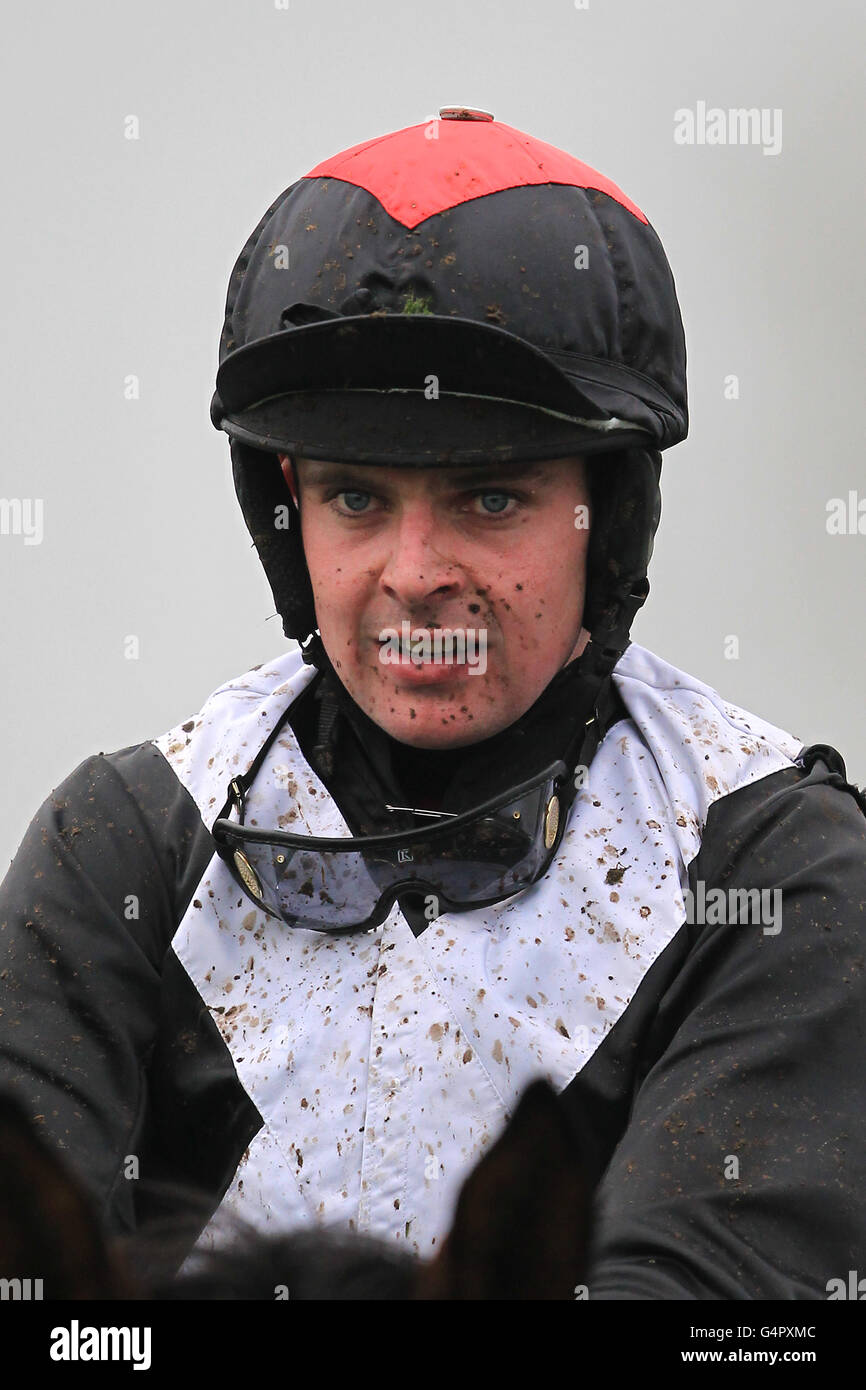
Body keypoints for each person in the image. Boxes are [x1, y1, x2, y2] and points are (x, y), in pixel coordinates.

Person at [1, 107, 865, 1301]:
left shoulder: (770, 859)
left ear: (601, 518)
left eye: (490, 499)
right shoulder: (124, 842)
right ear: (286, 510)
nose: (413, 572)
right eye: (355, 499)